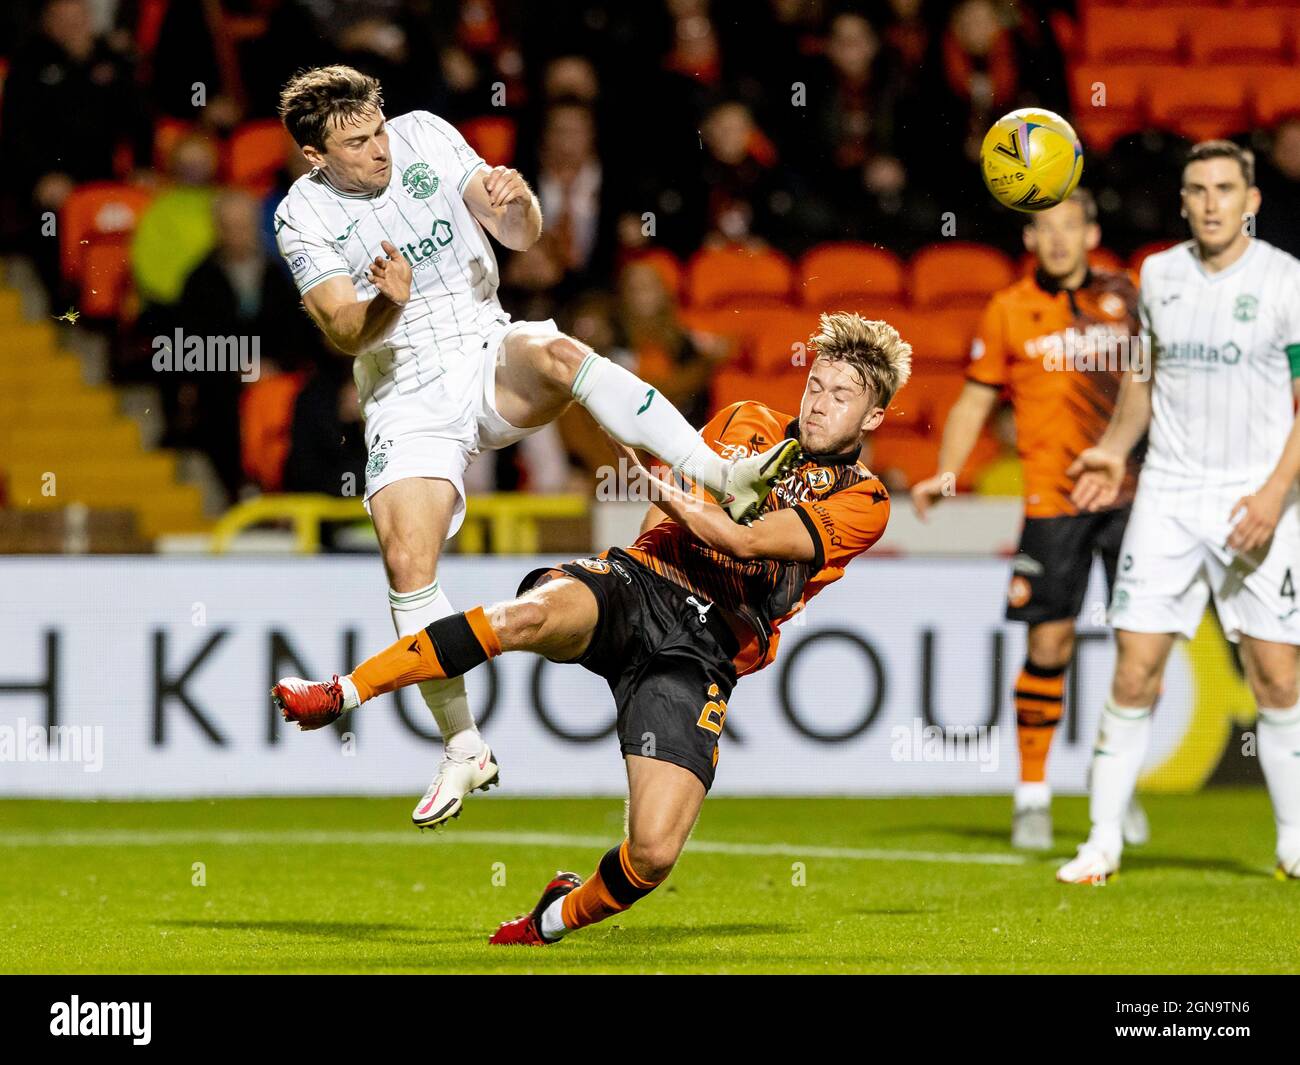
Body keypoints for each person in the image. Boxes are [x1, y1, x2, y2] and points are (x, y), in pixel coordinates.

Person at [272, 65, 801, 830]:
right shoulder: (303, 215)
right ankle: (463, 746)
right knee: (406, 560)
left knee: (557, 354)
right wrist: (387, 299)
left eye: (379, 129)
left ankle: (722, 472)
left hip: (485, 344)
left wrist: (518, 207)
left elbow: (521, 236)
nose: (380, 149)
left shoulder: (426, 135)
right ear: (317, 157)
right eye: (357, 143)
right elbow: (344, 329)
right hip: (407, 385)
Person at [272, 312, 909, 944]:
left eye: (841, 396)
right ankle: (341, 693)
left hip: (705, 651)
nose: (820, 404)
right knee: (528, 615)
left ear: (873, 416)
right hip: (641, 583)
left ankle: (547, 920)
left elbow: (739, 540)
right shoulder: (747, 421)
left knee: (653, 853)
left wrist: (647, 477)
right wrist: (636, 544)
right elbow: (675, 489)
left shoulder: (864, 499)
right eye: (816, 386)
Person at [1062, 141, 1300, 884]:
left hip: (1256, 496)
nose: (1211, 202)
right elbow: (1142, 382)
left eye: (1226, 188)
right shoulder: (1157, 276)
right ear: (1183, 201)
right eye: (1197, 188)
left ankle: (1293, 840)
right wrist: (1112, 450)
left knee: (1278, 677)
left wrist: (1271, 494)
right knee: (1134, 670)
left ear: (1251, 200)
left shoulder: (1288, 280)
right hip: (1167, 491)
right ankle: (1101, 841)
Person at [911, 190, 1147, 850]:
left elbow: (1164, 387)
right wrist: (948, 470)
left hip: (1132, 498)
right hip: (1052, 503)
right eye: (1045, 228)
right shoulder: (1009, 308)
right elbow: (972, 401)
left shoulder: (1130, 301)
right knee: (1049, 646)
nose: (1059, 239)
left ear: (1092, 230)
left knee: (1139, 650)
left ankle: (1115, 785)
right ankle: (1032, 793)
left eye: (1071, 225)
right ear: (1030, 240)